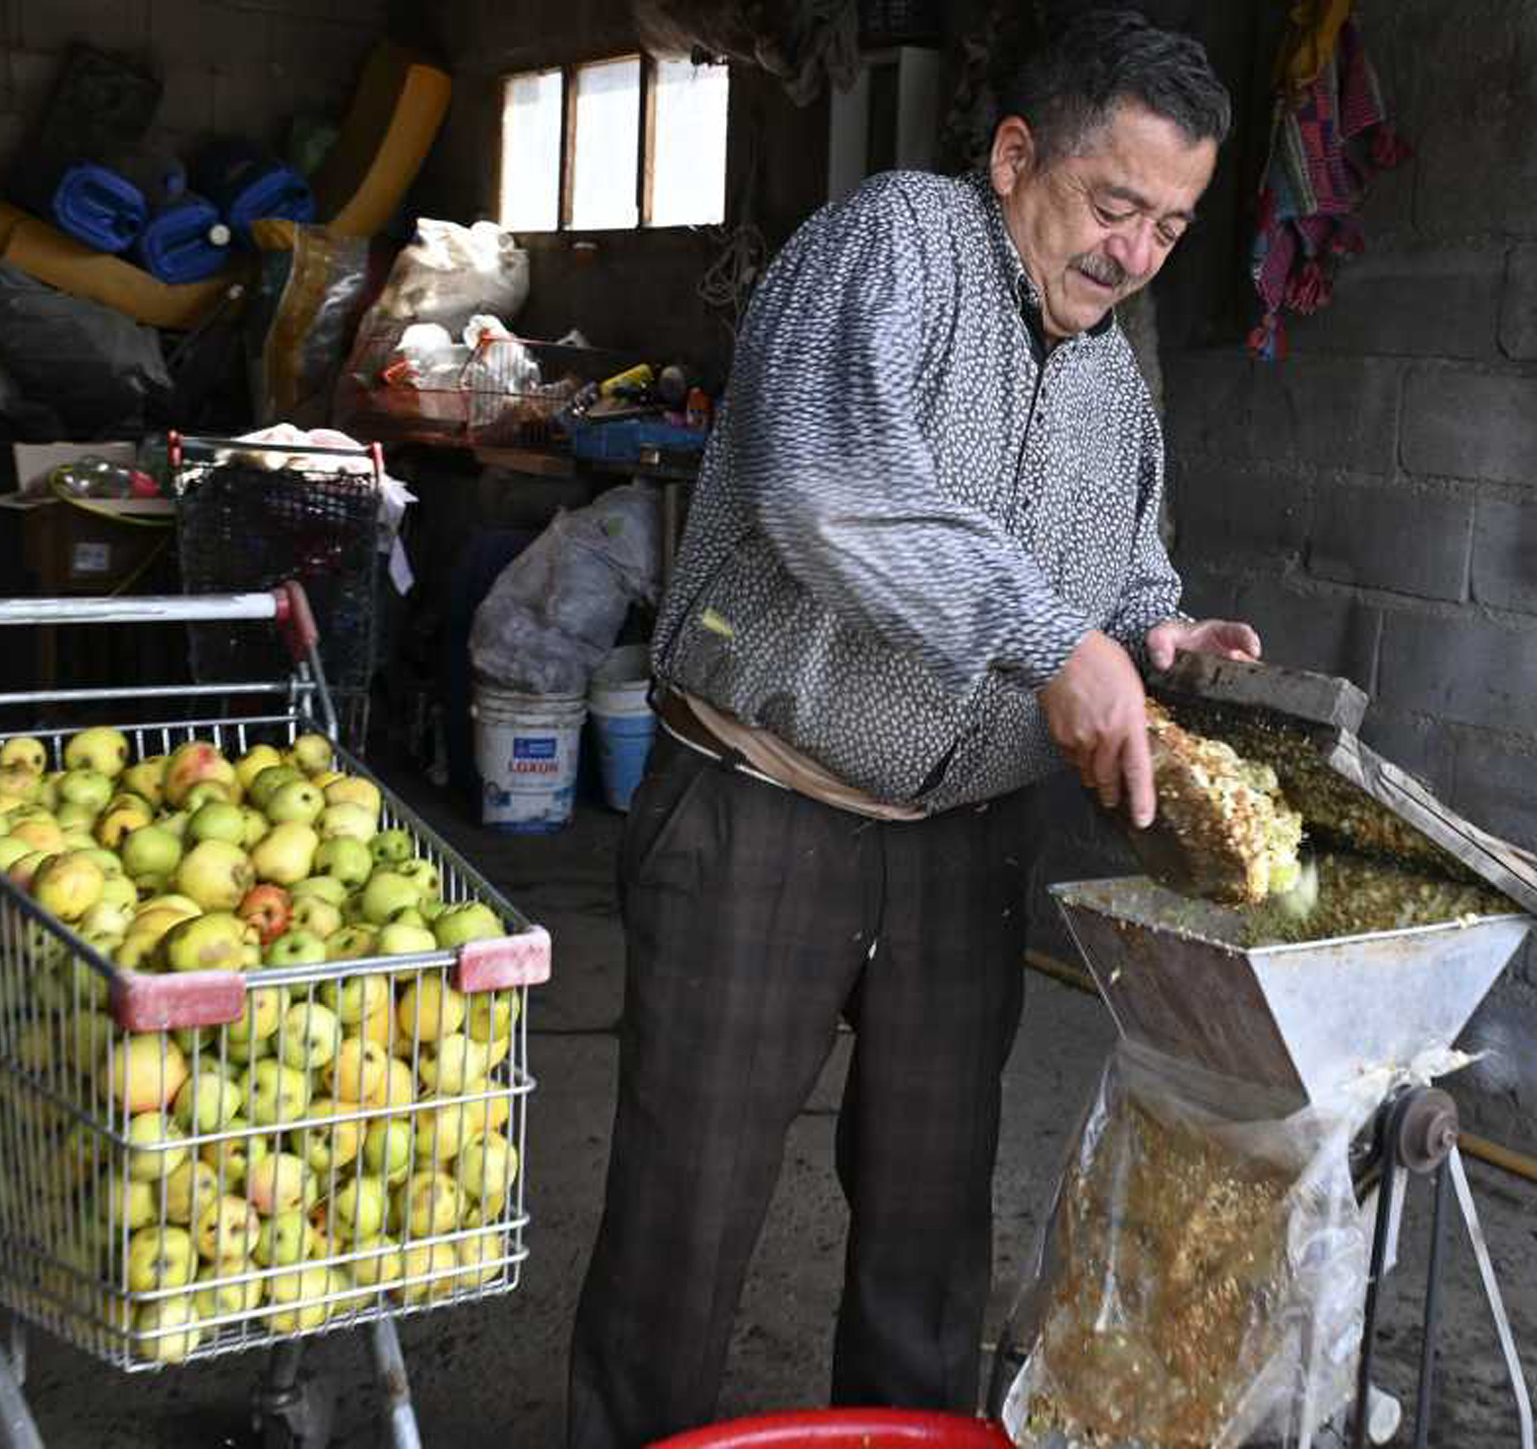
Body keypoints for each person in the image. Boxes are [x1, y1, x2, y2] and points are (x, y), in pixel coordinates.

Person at [565, 12, 1259, 1445]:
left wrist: (1159, 635)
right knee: (685, 1216)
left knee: (930, 1231)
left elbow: (1124, 570)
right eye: (1113, 204)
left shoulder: (1112, 379)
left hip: (961, 844)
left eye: (1170, 227)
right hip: (763, 804)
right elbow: (828, 488)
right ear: (1014, 158)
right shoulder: (896, 245)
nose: (1134, 253)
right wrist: (1053, 644)